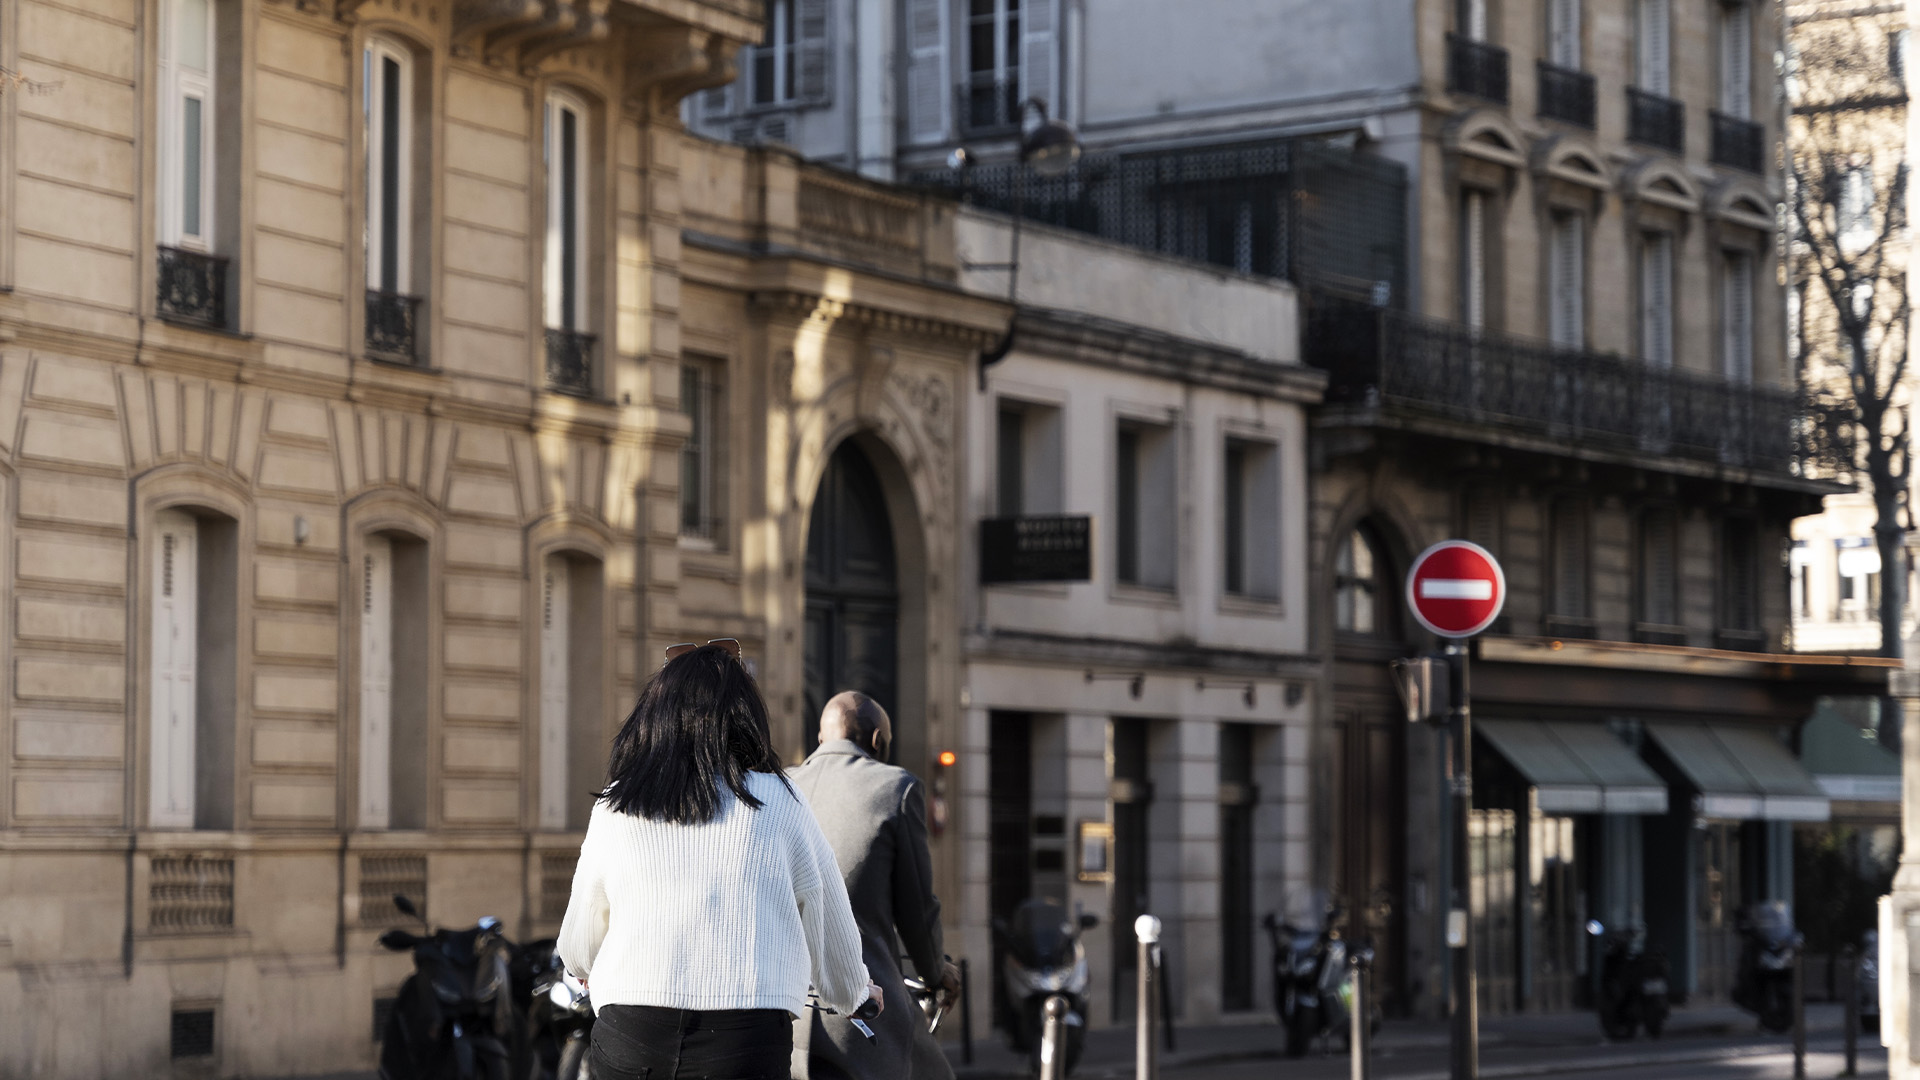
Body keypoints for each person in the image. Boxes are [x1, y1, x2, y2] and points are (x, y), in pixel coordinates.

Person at [557, 641, 882, 1080]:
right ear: (745, 719)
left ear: (655, 716)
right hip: (744, 1041)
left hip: (632, 1034)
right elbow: (827, 916)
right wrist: (854, 993)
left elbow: (578, 942)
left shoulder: (618, 804)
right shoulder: (780, 801)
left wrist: (584, 968)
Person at [790, 691, 960, 1080]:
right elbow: (917, 909)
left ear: (820, 740)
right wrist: (935, 972)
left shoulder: (784, 784)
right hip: (860, 1012)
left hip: (785, 1015)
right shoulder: (896, 788)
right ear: (878, 740)